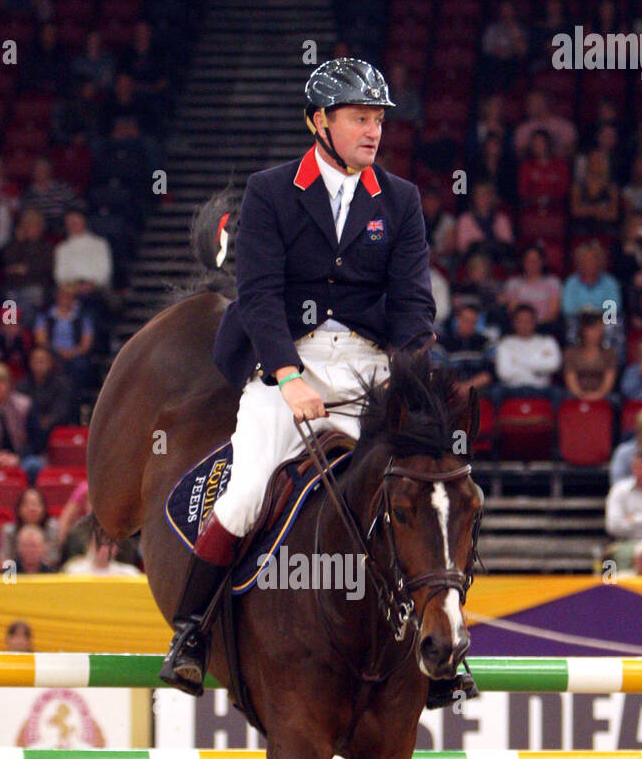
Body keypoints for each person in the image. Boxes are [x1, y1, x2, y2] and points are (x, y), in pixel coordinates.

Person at [162, 58, 440, 700]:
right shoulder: (270, 191)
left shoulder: (399, 199)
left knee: (428, 490)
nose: (374, 131)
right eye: (359, 118)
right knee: (246, 492)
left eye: (378, 119)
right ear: (320, 122)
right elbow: (258, 296)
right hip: (284, 358)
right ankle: (191, 633)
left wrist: (415, 379)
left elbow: (413, 304)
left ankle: (442, 647)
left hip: (369, 365)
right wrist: (289, 378)